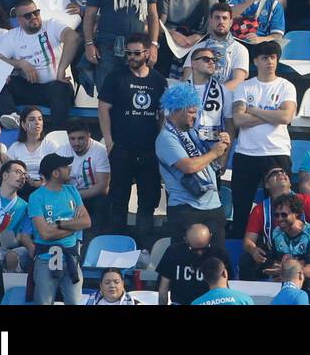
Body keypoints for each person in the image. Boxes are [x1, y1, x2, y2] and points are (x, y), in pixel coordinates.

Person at [96, 32, 164, 239]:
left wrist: (161, 143)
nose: (132, 57)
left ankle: (144, 244)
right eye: (128, 53)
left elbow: (162, 115)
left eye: (136, 53)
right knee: (118, 196)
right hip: (122, 146)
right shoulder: (115, 77)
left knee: (148, 197)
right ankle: (116, 240)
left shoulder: (158, 80)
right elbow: (103, 108)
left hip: (149, 148)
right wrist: (108, 141)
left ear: (147, 52)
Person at [227, 40, 296, 237]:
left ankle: (277, 249)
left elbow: (285, 117)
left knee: (280, 208)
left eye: (273, 57)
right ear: (256, 61)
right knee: (241, 208)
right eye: (265, 57)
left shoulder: (286, 86)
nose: (270, 62)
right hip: (246, 153)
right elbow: (239, 119)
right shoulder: (244, 87)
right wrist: (271, 114)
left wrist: (254, 110)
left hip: (276, 152)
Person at [156, 82, 230, 244]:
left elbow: (212, 164)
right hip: (186, 209)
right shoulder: (166, 138)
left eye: (195, 112)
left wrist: (223, 147)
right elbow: (188, 166)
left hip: (212, 206)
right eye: (190, 112)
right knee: (186, 261)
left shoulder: (193, 133)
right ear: (176, 110)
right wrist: (213, 152)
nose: (194, 116)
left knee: (217, 261)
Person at [0, 0, 79, 127]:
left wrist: (61, 70)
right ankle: (13, 117)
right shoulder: (12, 36)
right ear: (19, 20)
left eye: (36, 13)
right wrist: (20, 64)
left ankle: (58, 132)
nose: (34, 17)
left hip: (55, 86)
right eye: (28, 16)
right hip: (29, 87)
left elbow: (73, 37)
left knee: (60, 87)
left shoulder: (51, 25)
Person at [27, 152, 90, 305]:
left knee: (75, 302)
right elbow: (45, 233)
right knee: (44, 302)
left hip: (70, 258)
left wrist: (60, 224)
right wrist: (74, 225)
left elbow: (87, 222)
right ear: (55, 173)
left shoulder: (72, 191)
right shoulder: (36, 197)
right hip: (46, 258)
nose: (69, 168)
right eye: (65, 166)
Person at [157, 222, 230, 306]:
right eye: (194, 249)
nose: (199, 252)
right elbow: (163, 288)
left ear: (210, 237)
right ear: (186, 239)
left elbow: (227, 288)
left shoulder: (219, 254)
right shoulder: (173, 252)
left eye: (204, 249)